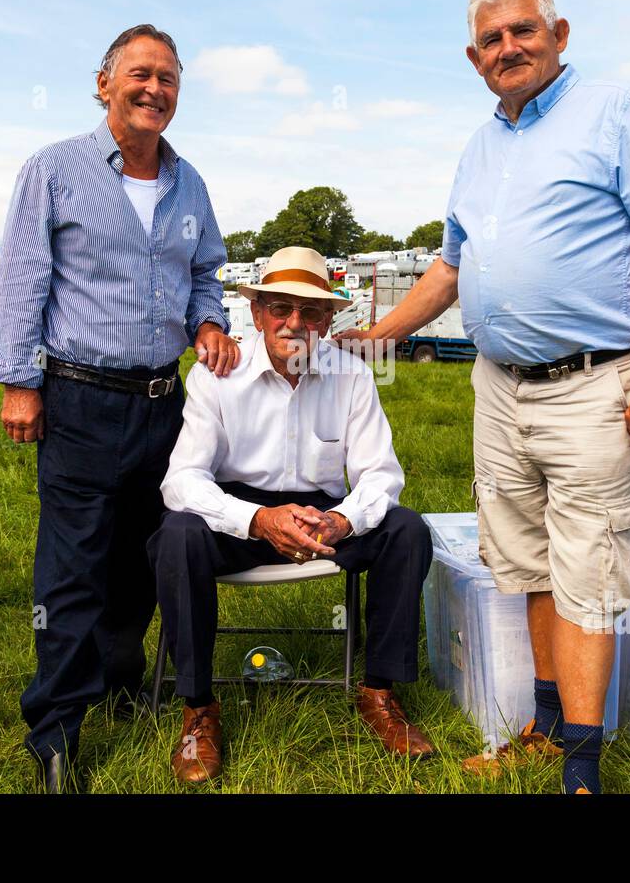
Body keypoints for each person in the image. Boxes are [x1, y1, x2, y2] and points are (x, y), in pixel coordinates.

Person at [337, 0, 630, 793]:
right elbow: (451, 266)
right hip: (500, 390)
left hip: (594, 384)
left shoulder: (619, 111)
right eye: (492, 40)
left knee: (589, 573)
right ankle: (547, 727)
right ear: (475, 58)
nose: (509, 48)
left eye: (523, 32)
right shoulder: (479, 146)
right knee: (530, 564)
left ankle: (582, 770)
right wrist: (381, 334)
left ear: (558, 33)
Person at [0, 23, 241, 792]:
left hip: (166, 404)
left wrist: (208, 323)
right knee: (73, 569)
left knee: (140, 561)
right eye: (140, 74)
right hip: (80, 401)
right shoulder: (55, 171)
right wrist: (19, 380)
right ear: (104, 84)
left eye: (168, 79)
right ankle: (56, 732)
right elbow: (22, 278)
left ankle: (123, 684)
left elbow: (207, 274)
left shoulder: (189, 183)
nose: (154, 89)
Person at [148, 246, 434, 784]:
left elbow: (380, 475)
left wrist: (344, 520)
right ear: (256, 315)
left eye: (310, 312)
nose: (294, 323)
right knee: (177, 533)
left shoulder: (352, 375)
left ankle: (379, 693)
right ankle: (198, 708)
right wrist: (258, 520)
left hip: (322, 515)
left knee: (406, 528)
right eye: (280, 308)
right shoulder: (216, 374)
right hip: (238, 515)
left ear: (329, 321)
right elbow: (181, 480)